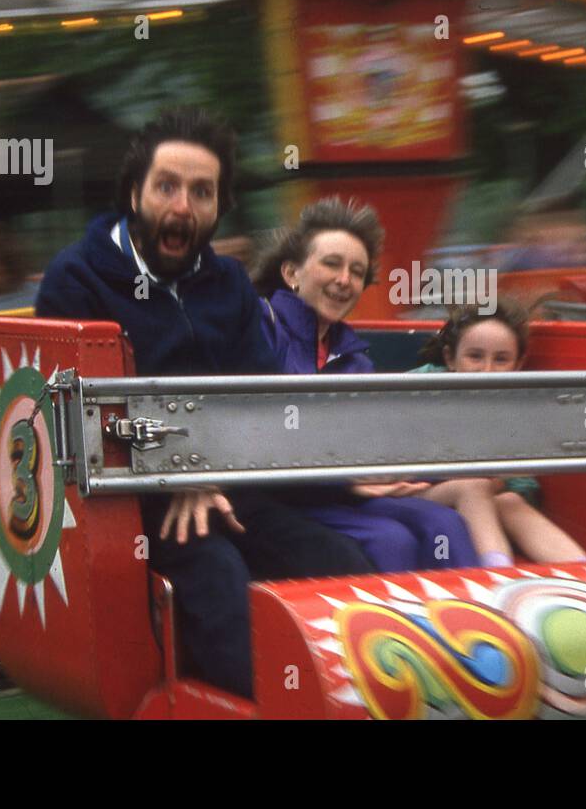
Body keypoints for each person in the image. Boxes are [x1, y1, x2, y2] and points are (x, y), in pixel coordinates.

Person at [34, 107, 372, 699]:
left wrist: (209, 467)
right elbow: (79, 416)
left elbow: (261, 399)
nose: (183, 207)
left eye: (202, 192)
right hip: (126, 502)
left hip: (229, 484)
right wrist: (176, 471)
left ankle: (355, 705)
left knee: (342, 561)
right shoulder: (76, 280)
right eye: (167, 187)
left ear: (220, 207)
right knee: (216, 575)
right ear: (133, 193)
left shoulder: (229, 284)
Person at [252, 196, 480, 572]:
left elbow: (374, 438)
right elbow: (259, 430)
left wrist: (406, 471)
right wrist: (344, 478)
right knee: (391, 540)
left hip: (337, 495)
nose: (345, 280)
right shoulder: (262, 329)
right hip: (280, 498)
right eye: (331, 264)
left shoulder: (354, 357)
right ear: (292, 273)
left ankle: (471, 626)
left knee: (445, 523)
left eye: (357, 272)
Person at [407, 300, 586, 567]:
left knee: (509, 500)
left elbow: (522, 484)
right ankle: (497, 571)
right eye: (475, 356)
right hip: (413, 494)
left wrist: (501, 482)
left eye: (501, 359)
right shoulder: (416, 388)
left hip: (481, 499)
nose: (487, 370)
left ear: (518, 364)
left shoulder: (514, 407)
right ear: (450, 359)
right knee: (474, 486)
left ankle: (583, 570)